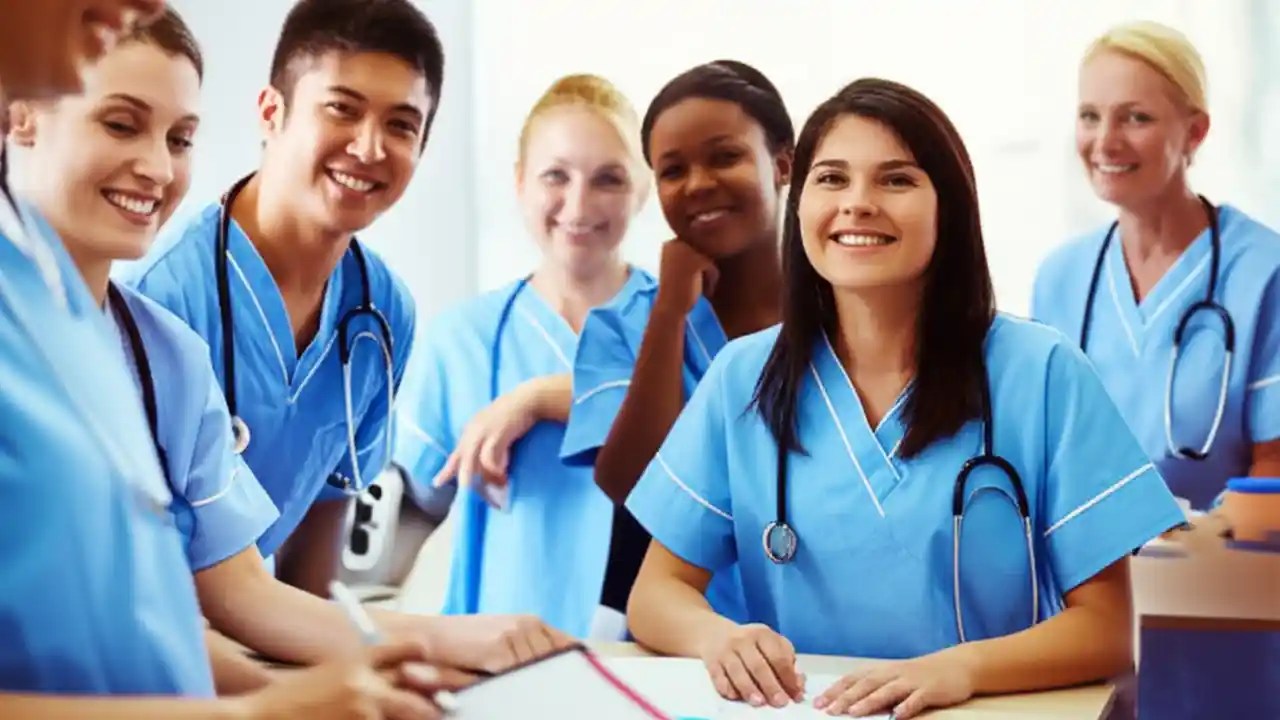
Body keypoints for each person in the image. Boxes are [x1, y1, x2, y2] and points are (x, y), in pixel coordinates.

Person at [10, 4, 553, 685]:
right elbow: (156, 613)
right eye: (120, 124)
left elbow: (242, 588)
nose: (155, 166)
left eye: (181, 139)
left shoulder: (166, 355)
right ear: (20, 112)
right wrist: (272, 698)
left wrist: (429, 647)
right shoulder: (157, 297)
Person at [624, 77, 1187, 720]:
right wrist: (716, 637)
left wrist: (962, 669)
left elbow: (1108, 627)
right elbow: (657, 592)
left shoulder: (1042, 372)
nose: (857, 204)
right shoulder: (743, 377)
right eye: (831, 179)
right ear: (800, 204)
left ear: (950, 207)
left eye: (895, 180)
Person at [119, 0, 423, 595]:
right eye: (342, 109)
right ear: (271, 113)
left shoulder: (382, 313)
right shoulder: (158, 293)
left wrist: (319, 647)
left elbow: (324, 508)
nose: (369, 147)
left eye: (401, 125)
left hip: (267, 622)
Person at [1030, 21, 1280, 720]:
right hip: (1088, 612)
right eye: (1090, 116)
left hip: (1224, 614)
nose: (1105, 141)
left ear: (1194, 132)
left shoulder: (1263, 271)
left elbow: (1274, 464)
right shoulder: (1063, 277)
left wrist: (1191, 544)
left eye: (1135, 118)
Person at [394, 73, 651, 639]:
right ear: (519, 182)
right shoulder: (462, 338)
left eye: (608, 178)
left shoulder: (688, 324)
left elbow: (693, 435)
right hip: (496, 651)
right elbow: (416, 504)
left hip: (658, 659)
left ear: (644, 189)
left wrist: (538, 399)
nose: (578, 204)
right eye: (555, 175)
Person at [561, 60, 794, 627]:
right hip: (685, 640)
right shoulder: (624, 326)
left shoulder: (845, 311)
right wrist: (669, 313)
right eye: (672, 170)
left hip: (830, 635)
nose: (698, 184)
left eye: (725, 157)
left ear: (783, 163)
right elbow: (630, 483)